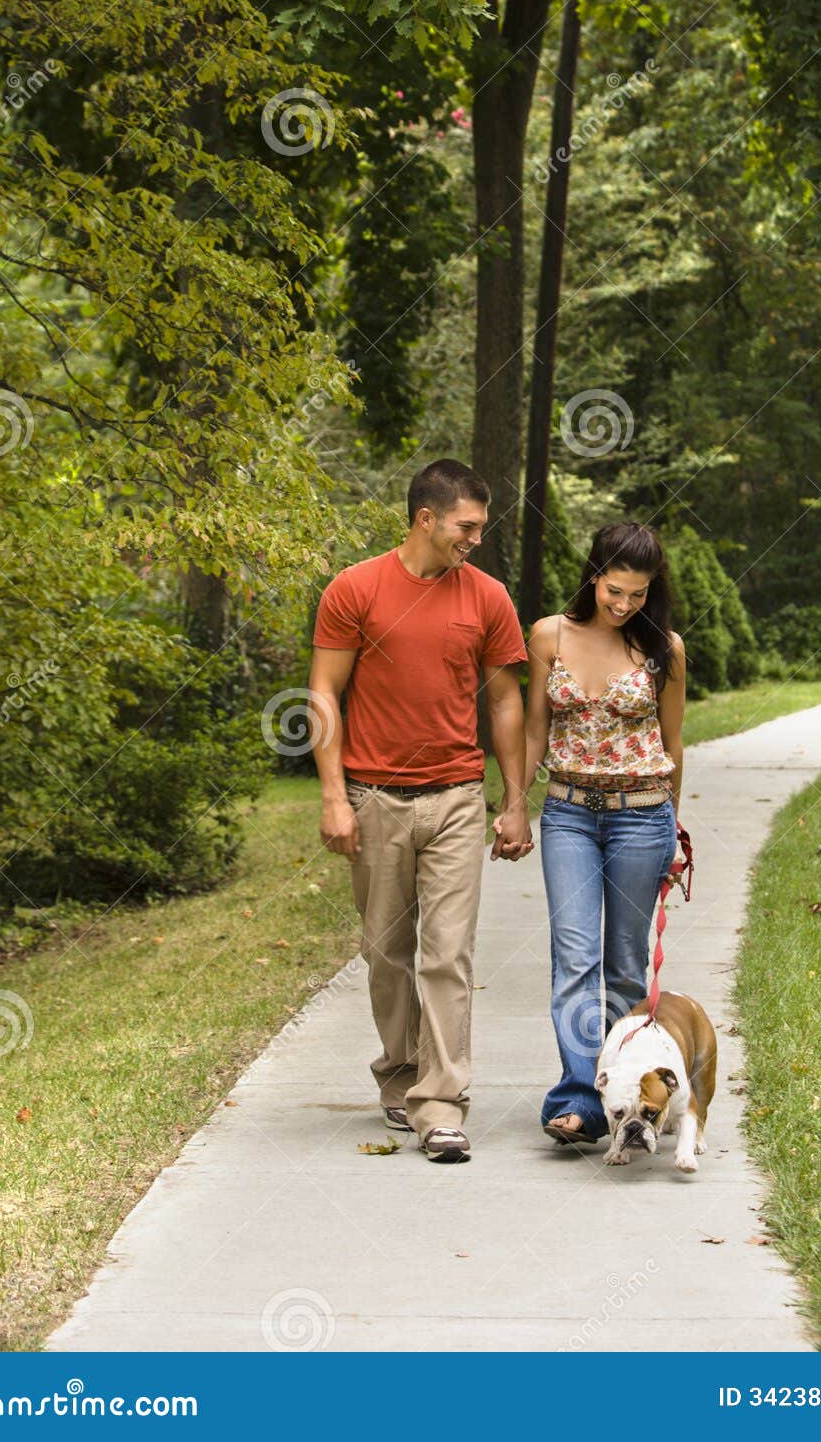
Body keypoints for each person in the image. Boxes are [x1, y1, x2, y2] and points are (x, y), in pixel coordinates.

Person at [309, 459, 533, 1163]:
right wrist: (332, 796)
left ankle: (440, 1104)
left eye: (480, 527)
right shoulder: (355, 589)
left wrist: (515, 800)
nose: (474, 539)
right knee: (385, 953)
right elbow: (323, 695)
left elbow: (503, 700)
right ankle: (399, 1074)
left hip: (457, 797)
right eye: (466, 527)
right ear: (425, 518)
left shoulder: (487, 598)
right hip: (374, 797)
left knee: (446, 956)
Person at [519, 521, 685, 1145]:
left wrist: (673, 827)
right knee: (573, 959)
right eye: (615, 590)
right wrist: (514, 802)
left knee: (622, 965)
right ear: (593, 575)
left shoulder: (662, 649)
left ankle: (631, 1094)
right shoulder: (549, 635)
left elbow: (673, 744)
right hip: (567, 811)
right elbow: (536, 726)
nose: (624, 605)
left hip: (642, 814)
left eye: (638, 595)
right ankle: (580, 1101)